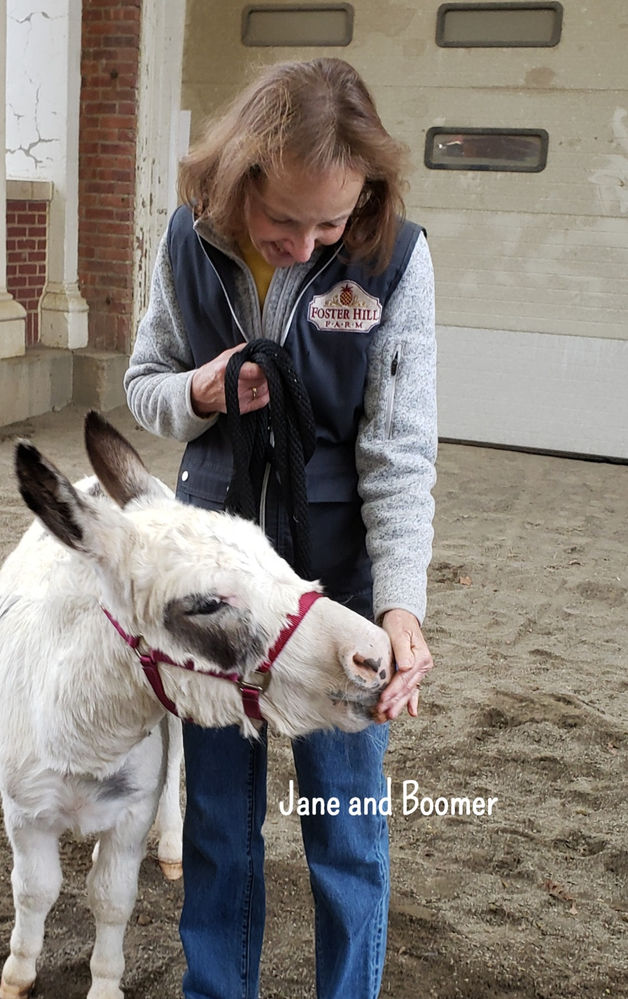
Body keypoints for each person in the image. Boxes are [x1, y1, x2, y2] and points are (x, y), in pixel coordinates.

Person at [124, 57, 436, 999]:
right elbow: (145, 387)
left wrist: (401, 607)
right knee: (218, 823)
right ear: (238, 181)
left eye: (330, 222)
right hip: (219, 595)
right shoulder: (184, 241)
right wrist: (200, 391)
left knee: (345, 823)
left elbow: (400, 453)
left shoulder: (398, 261)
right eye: (283, 221)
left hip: (336, 584)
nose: (305, 243)